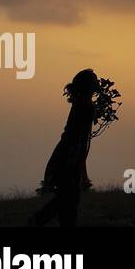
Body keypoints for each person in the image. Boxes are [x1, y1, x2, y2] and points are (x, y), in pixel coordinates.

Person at [28, 69, 99, 227]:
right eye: (95, 80)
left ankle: (37, 220)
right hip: (69, 157)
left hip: (67, 155)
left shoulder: (81, 104)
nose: (97, 83)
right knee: (69, 199)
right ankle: (37, 220)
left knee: (67, 199)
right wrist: (77, 165)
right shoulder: (85, 107)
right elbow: (79, 139)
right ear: (88, 86)